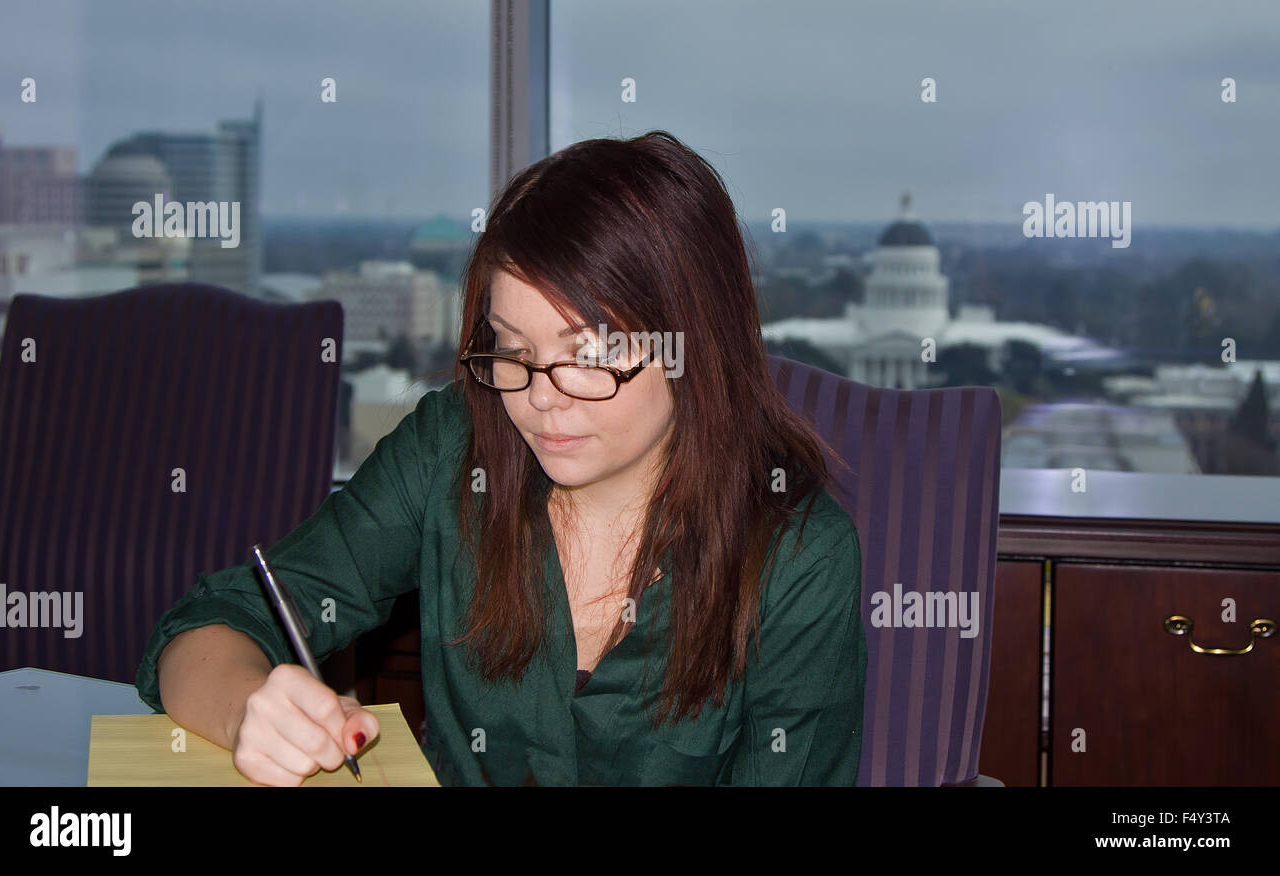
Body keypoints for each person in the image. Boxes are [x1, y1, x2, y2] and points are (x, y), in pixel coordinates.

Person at [135, 129, 867, 786]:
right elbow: (214, 621)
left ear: (694, 347)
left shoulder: (798, 556)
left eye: (590, 354)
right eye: (512, 349)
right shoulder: (453, 449)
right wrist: (248, 715)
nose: (541, 398)